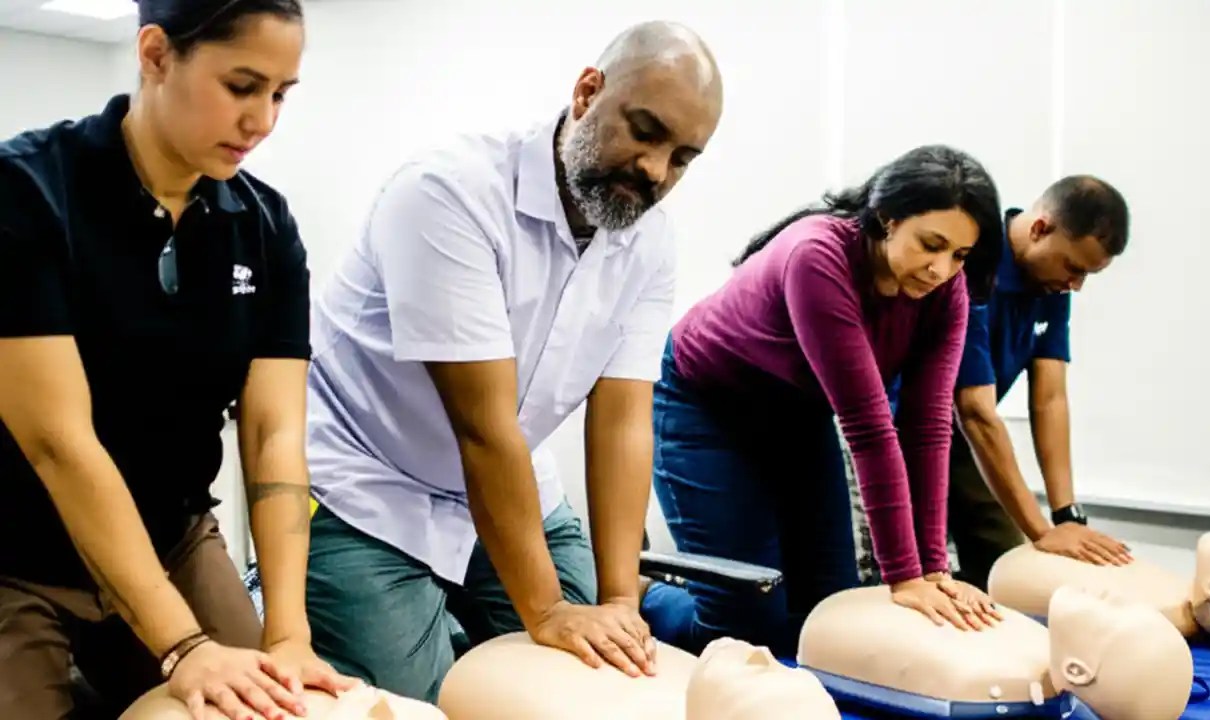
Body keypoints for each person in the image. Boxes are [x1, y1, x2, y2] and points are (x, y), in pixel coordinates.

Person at [302, 20, 724, 704]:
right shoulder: (450, 194)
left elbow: (621, 422)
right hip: (367, 485)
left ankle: (456, 627)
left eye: (681, 158)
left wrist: (620, 599)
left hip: (513, 478)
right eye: (644, 131)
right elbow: (482, 426)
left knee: (590, 676)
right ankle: (306, 597)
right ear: (588, 92)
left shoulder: (650, 241)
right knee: (419, 702)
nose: (654, 169)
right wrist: (549, 611)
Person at [0, 1, 358, 718]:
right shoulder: (26, 192)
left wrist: (288, 631)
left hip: (174, 536)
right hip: (19, 553)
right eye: (242, 86)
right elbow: (59, 444)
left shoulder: (265, 227)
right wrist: (182, 646)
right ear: (157, 54)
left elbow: (273, 435)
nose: (263, 121)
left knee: (267, 704)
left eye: (281, 94)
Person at [638, 144, 1007, 658]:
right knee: (747, 627)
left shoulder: (946, 292)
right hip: (705, 410)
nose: (941, 268)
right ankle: (647, 598)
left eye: (960, 255)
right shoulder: (818, 255)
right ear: (886, 218)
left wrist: (933, 570)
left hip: (796, 417)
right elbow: (870, 427)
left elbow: (926, 428)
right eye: (931, 244)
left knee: (828, 614)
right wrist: (905, 578)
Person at [949, 176, 1132, 591]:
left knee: (1006, 565)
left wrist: (1066, 516)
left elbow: (1049, 399)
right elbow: (975, 410)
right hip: (892, 423)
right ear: (1039, 228)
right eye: (1073, 267)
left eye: (1088, 275)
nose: (1076, 285)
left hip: (961, 434)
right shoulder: (973, 261)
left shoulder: (1052, 283)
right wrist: (1043, 531)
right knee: (896, 572)